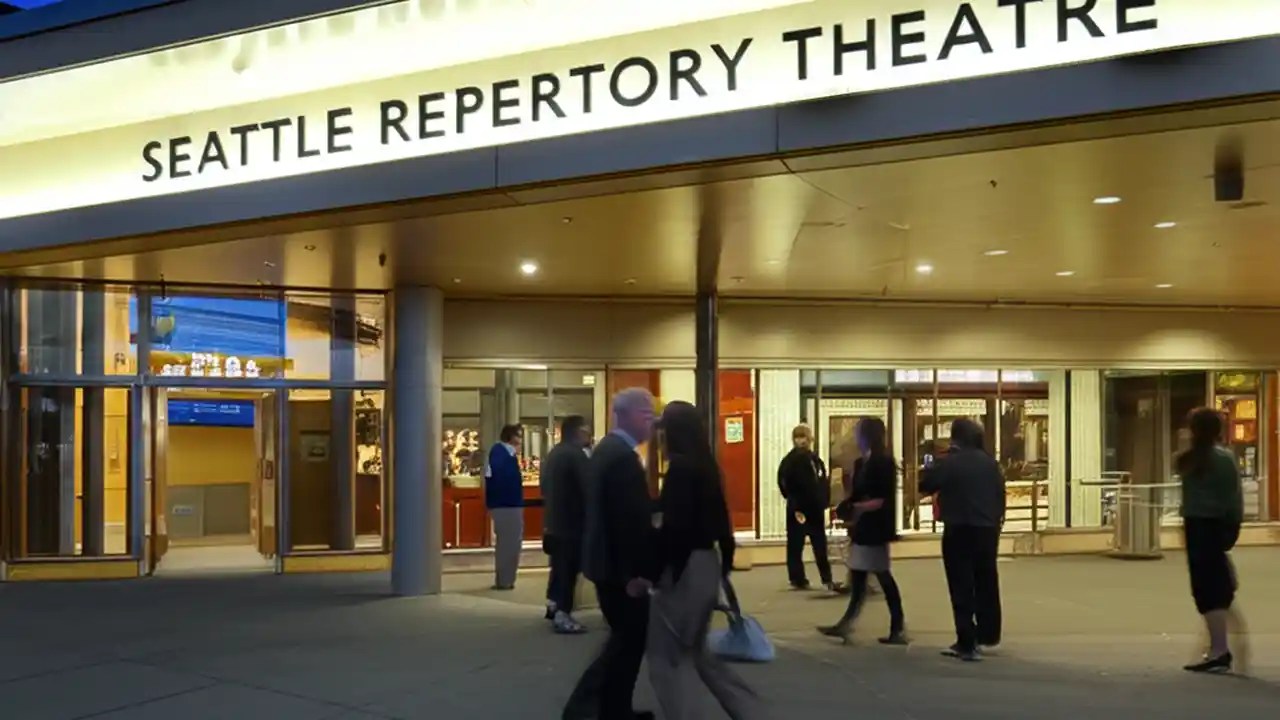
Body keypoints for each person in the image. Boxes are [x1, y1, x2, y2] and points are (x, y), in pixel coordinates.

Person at [647, 400, 764, 720]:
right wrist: (723, 566)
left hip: (685, 568)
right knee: (697, 652)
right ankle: (751, 710)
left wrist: (657, 575)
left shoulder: (681, 470)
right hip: (707, 563)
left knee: (667, 657)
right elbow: (722, 523)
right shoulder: (707, 466)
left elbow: (676, 531)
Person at [564, 388, 658, 720]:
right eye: (645, 414)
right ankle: (600, 708)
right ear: (624, 415)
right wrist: (635, 574)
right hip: (619, 570)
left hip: (605, 564)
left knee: (622, 640)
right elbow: (627, 522)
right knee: (627, 643)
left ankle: (610, 708)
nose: (651, 421)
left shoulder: (607, 450)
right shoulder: (621, 458)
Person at [920, 418, 1004, 662]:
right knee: (986, 580)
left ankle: (966, 641)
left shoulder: (952, 462)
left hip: (959, 527)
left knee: (961, 584)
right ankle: (988, 633)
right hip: (987, 529)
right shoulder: (991, 463)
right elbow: (1000, 494)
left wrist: (934, 461)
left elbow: (927, 483)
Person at [818, 417, 906, 645]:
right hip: (862, 526)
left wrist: (857, 507)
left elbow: (882, 499)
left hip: (875, 527)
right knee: (859, 576)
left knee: (881, 576)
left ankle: (897, 626)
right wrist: (847, 508)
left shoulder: (883, 462)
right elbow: (857, 493)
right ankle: (847, 623)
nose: (855, 437)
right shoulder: (861, 463)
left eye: (859, 432)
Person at [1176, 408, 1245, 673]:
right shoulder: (1223, 459)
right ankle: (1218, 647)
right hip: (1217, 525)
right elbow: (1233, 497)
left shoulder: (1189, 460)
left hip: (1196, 526)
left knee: (1206, 587)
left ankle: (1218, 648)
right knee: (1217, 584)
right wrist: (1233, 528)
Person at [541, 415, 592, 634]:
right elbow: (588, 488)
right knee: (568, 570)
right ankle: (563, 613)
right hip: (572, 524)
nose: (589, 436)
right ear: (578, 432)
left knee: (559, 567)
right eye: (587, 431)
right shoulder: (575, 456)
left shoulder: (553, 454)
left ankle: (553, 604)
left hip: (554, 522)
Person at [777, 424, 839, 592]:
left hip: (815, 509)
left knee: (820, 544)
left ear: (810, 439)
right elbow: (783, 483)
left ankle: (827, 577)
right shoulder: (790, 461)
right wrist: (793, 501)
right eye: (798, 437)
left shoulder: (815, 460)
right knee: (796, 544)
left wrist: (824, 500)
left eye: (804, 436)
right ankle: (797, 578)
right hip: (798, 509)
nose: (801, 441)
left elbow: (822, 481)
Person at [485, 423, 525, 591]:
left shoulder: (507, 455)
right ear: (511, 437)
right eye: (519, 436)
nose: (521, 440)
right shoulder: (500, 453)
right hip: (505, 505)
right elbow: (498, 479)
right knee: (508, 543)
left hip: (508, 504)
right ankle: (504, 580)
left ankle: (507, 578)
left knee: (512, 543)